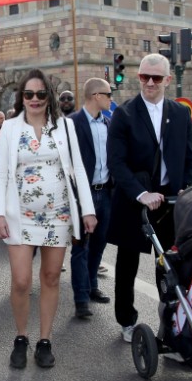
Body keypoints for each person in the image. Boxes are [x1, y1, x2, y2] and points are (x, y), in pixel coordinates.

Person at [0, 69, 96, 368]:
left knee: (51, 278)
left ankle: (45, 339)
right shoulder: (10, 128)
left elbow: (77, 169)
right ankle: (21, 337)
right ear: (21, 97)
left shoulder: (64, 127)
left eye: (40, 94)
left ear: (48, 96)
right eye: (29, 94)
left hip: (58, 215)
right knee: (22, 280)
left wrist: (87, 210)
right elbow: (0, 174)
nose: (35, 99)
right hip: (19, 217)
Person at [106, 53, 192, 343]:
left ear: (167, 81)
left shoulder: (180, 113)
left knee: (169, 263)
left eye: (156, 78)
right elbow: (116, 162)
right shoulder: (124, 113)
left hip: (170, 203)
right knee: (128, 262)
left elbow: (189, 157)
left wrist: (188, 187)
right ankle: (127, 320)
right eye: (144, 76)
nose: (149, 82)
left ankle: (171, 320)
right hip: (136, 200)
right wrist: (141, 193)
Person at [67, 78, 114, 320]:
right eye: (108, 94)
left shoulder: (108, 123)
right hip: (82, 196)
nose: (111, 98)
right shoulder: (72, 123)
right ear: (96, 95)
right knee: (80, 247)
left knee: (99, 244)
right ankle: (81, 298)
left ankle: (93, 284)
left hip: (105, 192)